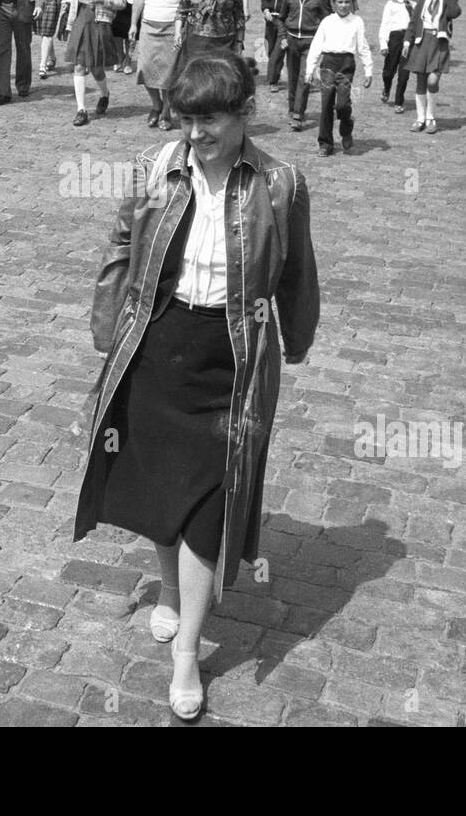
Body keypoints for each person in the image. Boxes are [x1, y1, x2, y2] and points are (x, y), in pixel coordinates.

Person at [75, 51, 320, 721]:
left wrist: (296, 339)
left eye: (210, 119)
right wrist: (107, 325)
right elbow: (123, 242)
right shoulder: (158, 166)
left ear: (246, 112)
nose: (197, 133)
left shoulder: (280, 184)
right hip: (160, 346)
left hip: (232, 361)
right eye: (188, 119)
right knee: (162, 489)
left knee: (208, 509)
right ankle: (169, 590)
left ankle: (187, 652)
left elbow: (296, 272)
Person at [134, 0, 196, 130]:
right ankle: (156, 104)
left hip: (174, 27)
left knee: (170, 74)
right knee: (145, 68)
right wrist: (133, 23)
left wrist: (189, 25)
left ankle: (166, 112)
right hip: (149, 24)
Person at [63, 0, 125, 126]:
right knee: (79, 65)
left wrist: (102, 0)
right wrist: (69, 24)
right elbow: (74, 0)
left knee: (97, 68)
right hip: (82, 20)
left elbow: (122, 2)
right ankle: (81, 109)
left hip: (100, 22)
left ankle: (104, 93)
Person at [304, 0, 373, 156]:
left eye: (347, 2)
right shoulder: (327, 21)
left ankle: (346, 128)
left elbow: (362, 47)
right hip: (328, 64)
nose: (343, 5)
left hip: (346, 65)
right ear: (334, 3)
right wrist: (309, 69)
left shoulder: (357, 21)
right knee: (326, 104)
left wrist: (369, 69)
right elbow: (316, 45)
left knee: (342, 104)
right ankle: (325, 143)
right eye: (339, 2)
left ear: (352, 3)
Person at [276, 0, 334, 132]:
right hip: (292, 41)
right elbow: (281, 18)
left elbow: (328, 19)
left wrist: (323, 41)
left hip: (310, 42)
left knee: (304, 77)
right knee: (292, 77)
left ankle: (298, 115)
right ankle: (292, 108)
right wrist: (283, 37)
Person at [401, 0, 460, 135]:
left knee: (432, 81)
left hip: (438, 43)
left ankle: (431, 116)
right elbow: (413, 22)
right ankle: (421, 118)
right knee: (420, 81)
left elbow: (455, 13)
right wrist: (406, 42)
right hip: (421, 42)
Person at [259, 0, 297, 92]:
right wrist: (265, 9)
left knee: (279, 51)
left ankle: (273, 81)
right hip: (270, 20)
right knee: (269, 49)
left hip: (283, 21)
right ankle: (275, 73)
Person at [378, 0, 415, 113]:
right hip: (394, 38)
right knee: (388, 71)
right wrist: (383, 44)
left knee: (404, 73)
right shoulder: (391, 4)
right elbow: (385, 24)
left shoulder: (414, 5)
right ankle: (387, 88)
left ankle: (399, 101)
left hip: (408, 39)